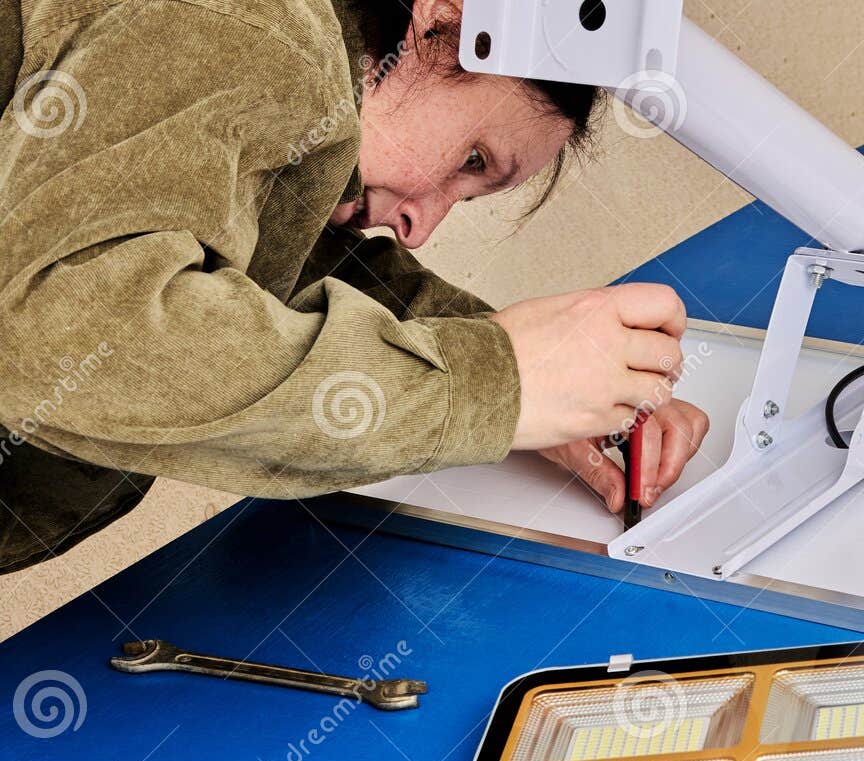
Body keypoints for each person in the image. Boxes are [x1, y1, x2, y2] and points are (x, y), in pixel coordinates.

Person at [0, 0, 709, 573]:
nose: (419, 227)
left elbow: (279, 266)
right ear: (440, 20)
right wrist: (494, 382)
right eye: (472, 158)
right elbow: (56, 323)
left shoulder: (288, 96)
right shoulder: (263, 31)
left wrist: (544, 382)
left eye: (467, 194)